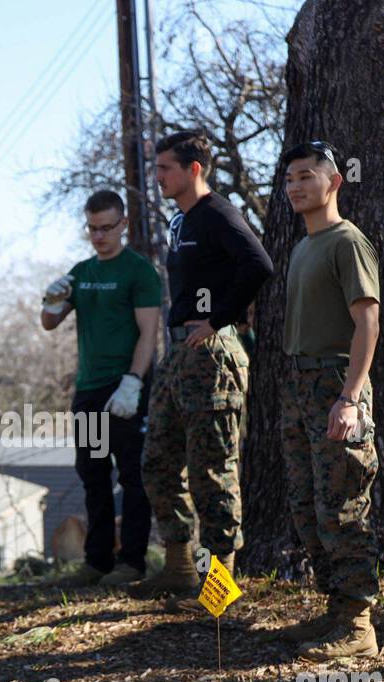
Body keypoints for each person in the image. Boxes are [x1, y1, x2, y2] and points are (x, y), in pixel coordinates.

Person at [136, 129, 273, 599]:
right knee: (157, 460)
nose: (157, 177)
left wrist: (217, 321)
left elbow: (259, 265)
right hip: (179, 354)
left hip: (212, 355)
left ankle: (221, 586)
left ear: (193, 169)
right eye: (156, 169)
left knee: (212, 470)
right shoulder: (182, 221)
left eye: (165, 169)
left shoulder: (217, 214)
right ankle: (178, 566)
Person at [275, 140, 382, 661]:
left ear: (334, 181)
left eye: (306, 176)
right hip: (300, 386)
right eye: (290, 178)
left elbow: (368, 323)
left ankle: (360, 623)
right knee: (307, 506)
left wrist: (350, 398)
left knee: (343, 504)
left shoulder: (347, 242)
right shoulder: (302, 246)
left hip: (336, 384)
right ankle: (338, 610)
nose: (295, 186)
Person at [40, 190, 161, 587]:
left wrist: (134, 381)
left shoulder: (139, 271)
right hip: (89, 391)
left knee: (132, 475)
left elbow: (149, 333)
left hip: (124, 389)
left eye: (107, 227)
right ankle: (96, 562)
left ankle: (132, 562)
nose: (99, 236)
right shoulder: (82, 272)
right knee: (93, 472)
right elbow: (48, 323)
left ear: (123, 224)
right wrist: (53, 299)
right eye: (93, 228)